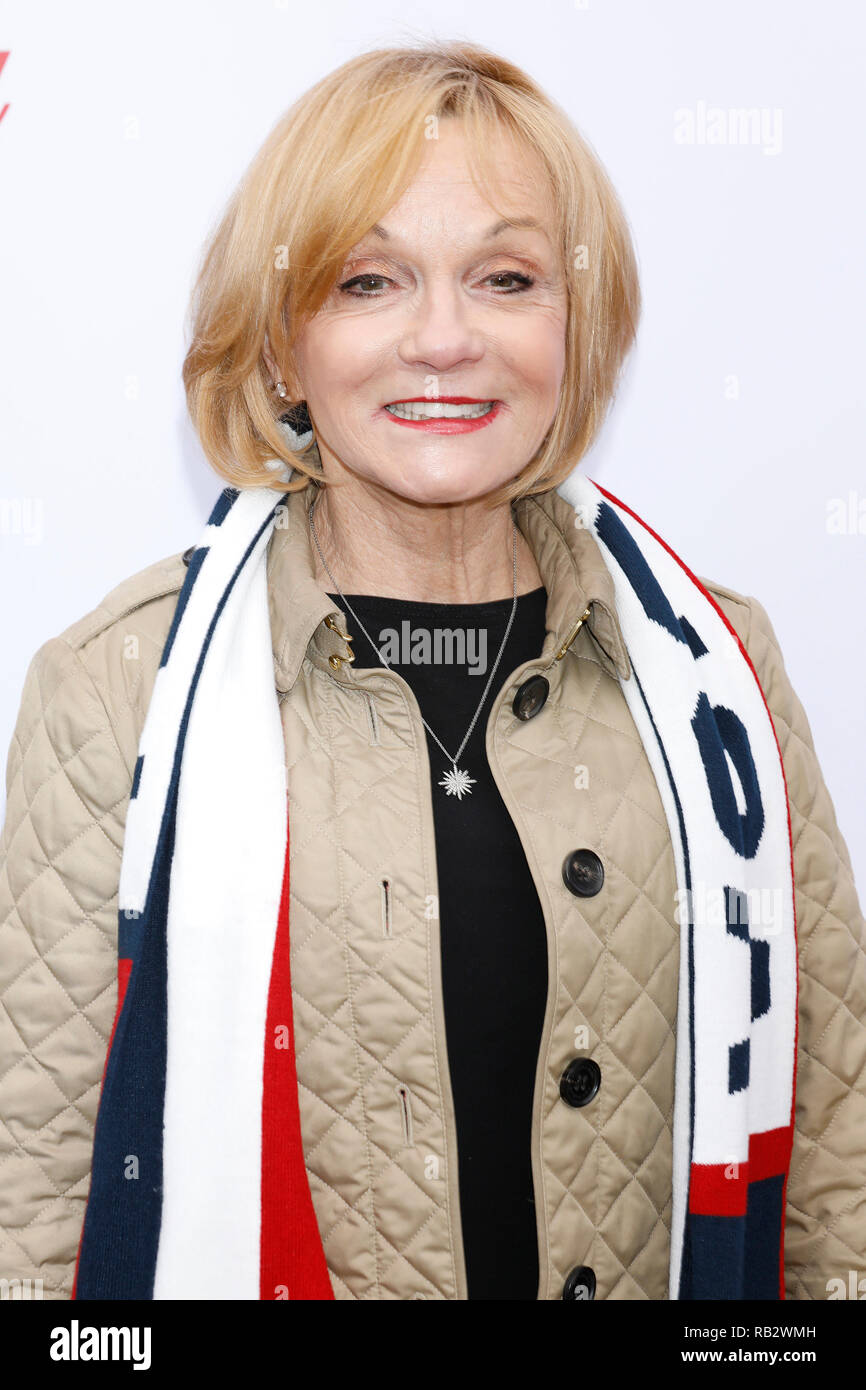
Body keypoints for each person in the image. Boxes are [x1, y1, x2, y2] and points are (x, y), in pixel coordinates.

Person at [1, 40, 863, 1302]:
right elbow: (34, 1211)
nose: (444, 339)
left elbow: (833, 1158)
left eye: (506, 276)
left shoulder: (718, 672)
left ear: (577, 328)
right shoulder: (116, 686)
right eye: (369, 281)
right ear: (284, 349)